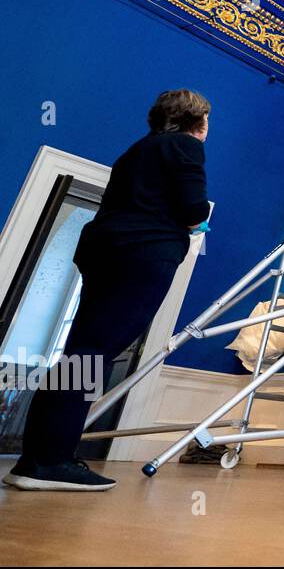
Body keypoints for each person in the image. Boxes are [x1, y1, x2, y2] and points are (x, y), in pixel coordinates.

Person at [3, 90, 211, 492]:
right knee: (93, 356)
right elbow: (192, 209)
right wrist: (199, 218)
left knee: (79, 354)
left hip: (104, 248)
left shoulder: (138, 150)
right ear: (198, 120)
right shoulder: (186, 145)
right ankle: (50, 462)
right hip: (144, 252)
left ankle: (38, 458)